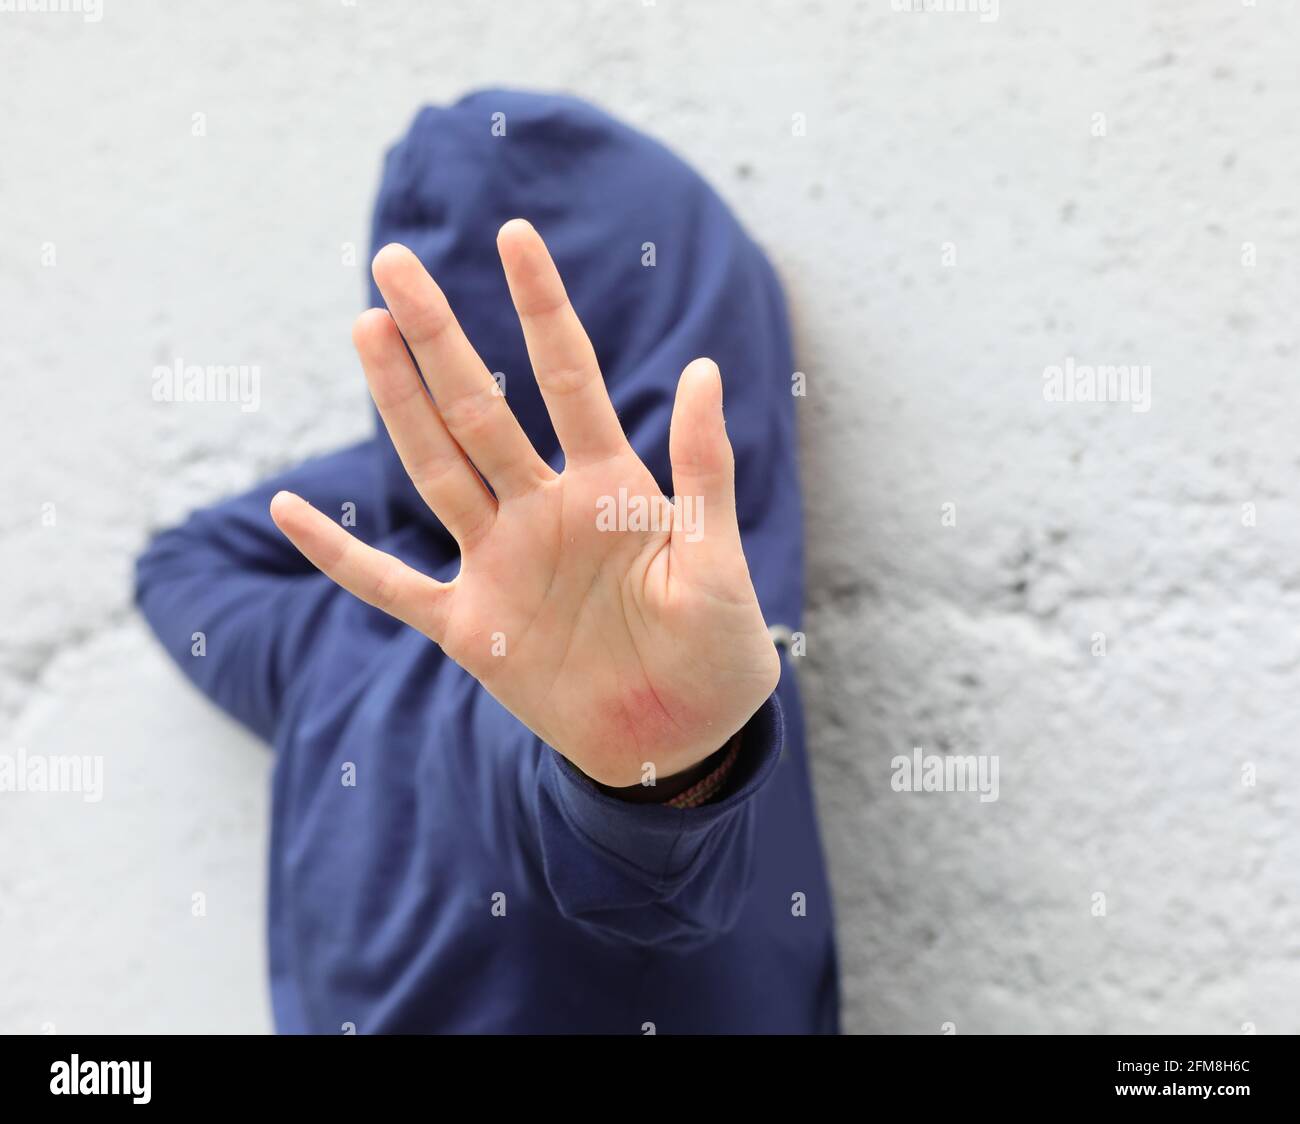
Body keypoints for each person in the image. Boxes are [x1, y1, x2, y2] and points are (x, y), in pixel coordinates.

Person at [136, 90, 839, 1034]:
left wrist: (423, 452)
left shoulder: (326, 643)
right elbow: (640, 867)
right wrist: (667, 773)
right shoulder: (623, 675)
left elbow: (179, 566)